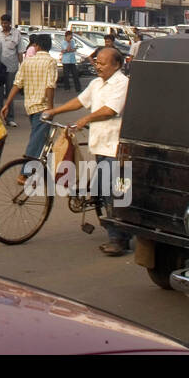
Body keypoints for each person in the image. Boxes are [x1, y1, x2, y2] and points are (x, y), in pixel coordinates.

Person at [42, 46, 132, 256]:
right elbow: (80, 101)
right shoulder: (96, 83)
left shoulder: (123, 84)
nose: (98, 66)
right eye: (97, 62)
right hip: (100, 145)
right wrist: (54, 110)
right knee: (102, 191)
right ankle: (114, 227)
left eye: (103, 63)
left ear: (116, 65)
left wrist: (86, 118)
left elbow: (110, 110)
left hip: (117, 148)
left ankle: (119, 239)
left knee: (114, 192)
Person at [0, 34, 59, 159]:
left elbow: (17, 84)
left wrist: (7, 104)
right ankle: (25, 172)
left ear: (36, 46)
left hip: (31, 107)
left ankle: (47, 171)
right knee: (36, 141)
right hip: (43, 107)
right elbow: (50, 86)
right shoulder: (51, 62)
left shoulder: (27, 62)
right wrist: (50, 108)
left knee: (42, 139)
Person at [0, 14, 23, 119]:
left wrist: (21, 67)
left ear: (10, 23)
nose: (4, 25)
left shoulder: (16, 34)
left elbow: (20, 53)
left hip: (12, 68)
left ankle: (10, 117)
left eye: (6, 23)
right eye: (2, 23)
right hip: (0, 68)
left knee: (10, 93)